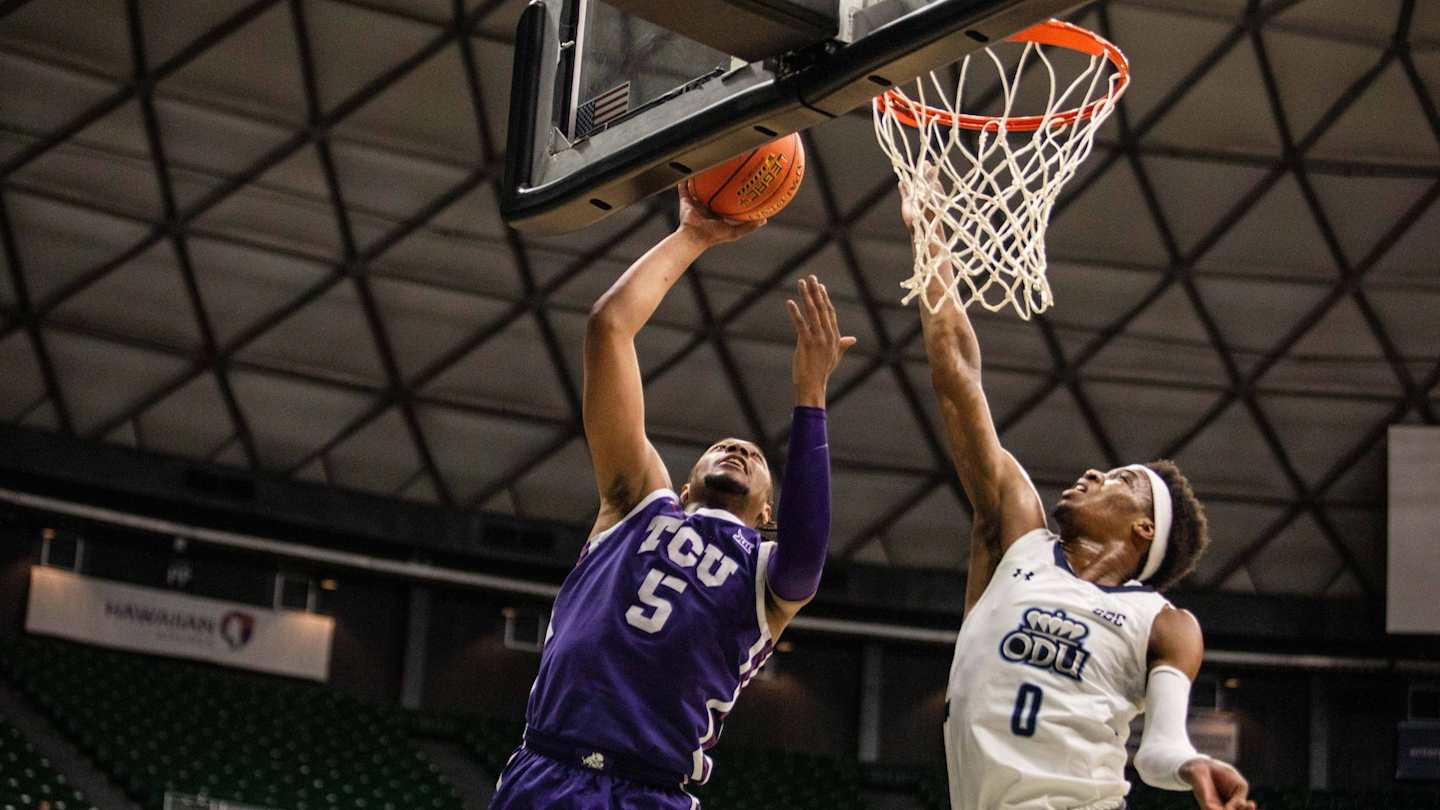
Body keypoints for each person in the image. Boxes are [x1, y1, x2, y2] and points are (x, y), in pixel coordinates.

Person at [489, 186, 856, 809]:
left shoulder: (767, 574)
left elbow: (808, 551)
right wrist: (694, 236)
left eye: (756, 456)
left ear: (768, 513)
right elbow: (609, 328)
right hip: (547, 768)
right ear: (684, 484)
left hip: (651, 792)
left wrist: (810, 396)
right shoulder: (636, 504)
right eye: (723, 446)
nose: (738, 449)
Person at [903, 178, 1258, 810]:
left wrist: (1194, 765)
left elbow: (1158, 750)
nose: (1095, 474)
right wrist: (930, 243)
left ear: (1144, 530)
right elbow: (957, 379)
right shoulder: (1018, 539)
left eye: (1121, 481)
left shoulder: (1165, 623)